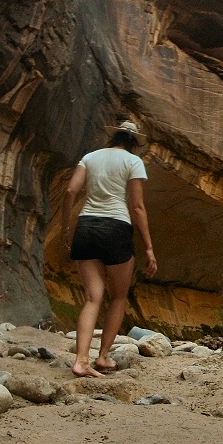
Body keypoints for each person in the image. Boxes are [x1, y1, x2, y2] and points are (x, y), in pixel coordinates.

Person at [62, 119, 157, 378]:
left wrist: (65, 228)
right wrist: (148, 248)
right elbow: (137, 207)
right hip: (116, 228)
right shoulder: (133, 161)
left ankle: (81, 361)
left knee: (93, 297)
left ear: (113, 137)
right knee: (118, 297)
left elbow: (70, 190)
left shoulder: (90, 157)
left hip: (86, 227)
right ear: (134, 142)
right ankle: (103, 357)